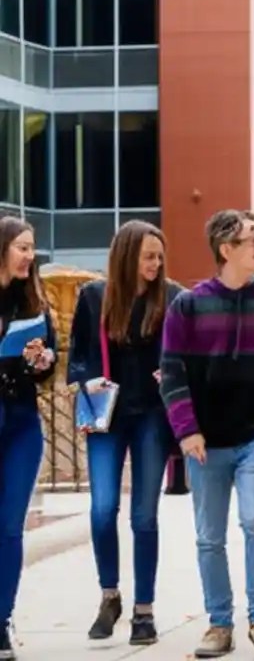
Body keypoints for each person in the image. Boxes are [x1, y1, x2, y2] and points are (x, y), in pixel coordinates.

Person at [160, 210, 254, 660]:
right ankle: (220, 624)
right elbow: (172, 372)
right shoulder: (188, 305)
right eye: (253, 240)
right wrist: (186, 432)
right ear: (227, 249)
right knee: (209, 536)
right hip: (204, 441)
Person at [67, 221, 183, 645]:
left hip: (152, 413)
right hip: (107, 415)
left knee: (145, 516)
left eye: (159, 256)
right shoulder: (94, 297)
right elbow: (77, 356)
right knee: (102, 509)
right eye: (149, 256)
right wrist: (89, 378)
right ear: (127, 255)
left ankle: (144, 611)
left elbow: (187, 350)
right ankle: (110, 594)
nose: (156, 264)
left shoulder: (173, 296)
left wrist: (171, 371)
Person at [0, 218, 57, 660]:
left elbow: (48, 368)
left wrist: (43, 361)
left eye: (31, 248)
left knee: (9, 529)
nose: (29, 255)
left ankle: (1, 620)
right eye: (21, 247)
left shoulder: (36, 303)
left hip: (21, 423)